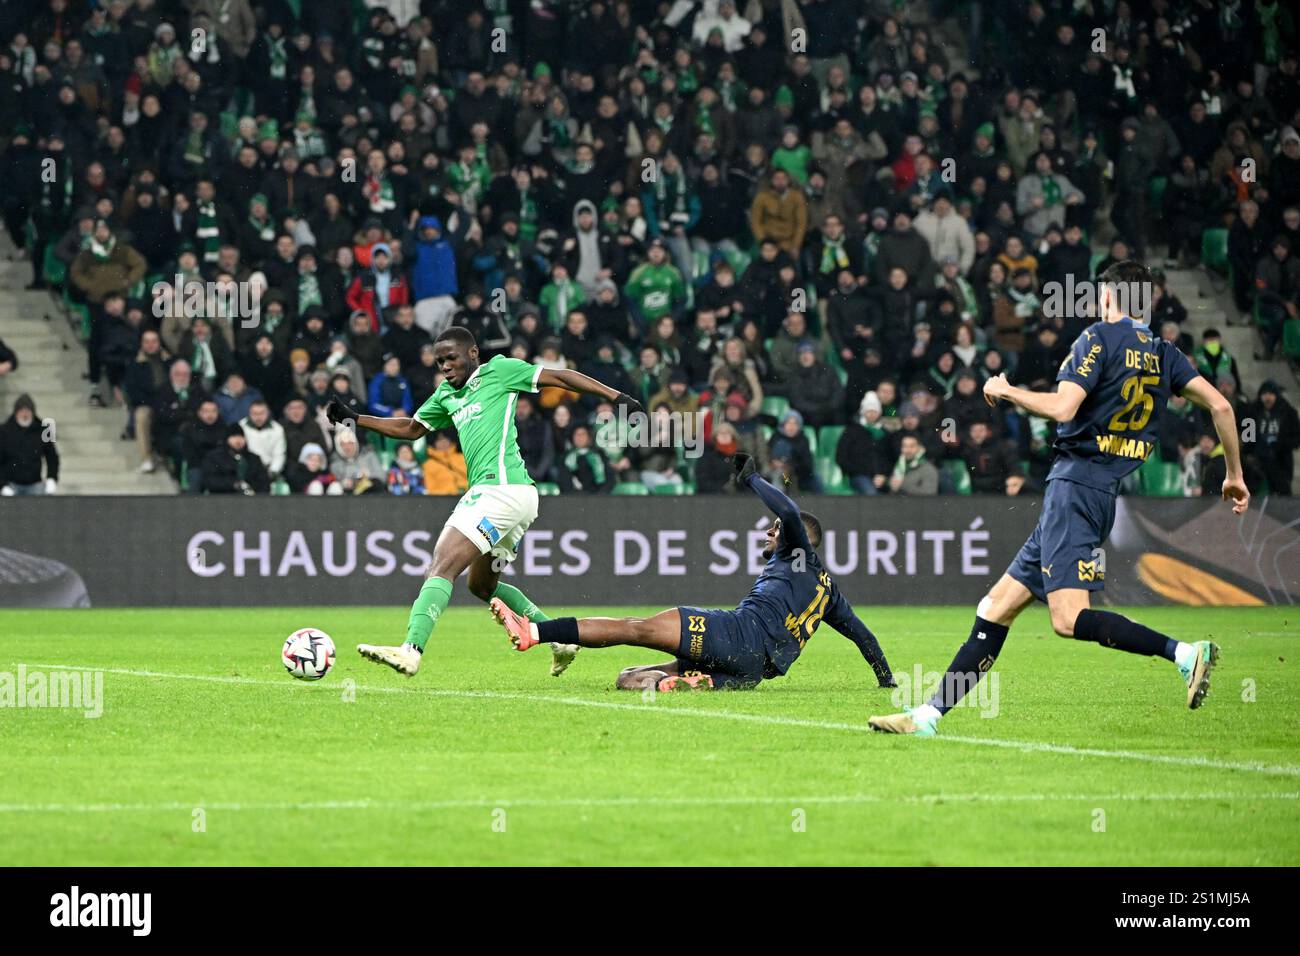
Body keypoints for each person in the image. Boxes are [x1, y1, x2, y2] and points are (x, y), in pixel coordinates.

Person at [870, 262, 1250, 737]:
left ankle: (1184, 653)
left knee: (1068, 619)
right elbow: (1222, 406)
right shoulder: (1164, 354)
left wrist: (1007, 390)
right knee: (996, 607)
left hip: (1074, 488)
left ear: (1111, 296)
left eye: (1100, 294)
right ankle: (927, 718)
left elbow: (1063, 407)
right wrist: (1233, 474)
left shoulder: (1098, 338)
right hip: (1098, 493)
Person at [326, 326, 644, 679]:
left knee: (441, 565)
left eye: (452, 358)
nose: (445, 366)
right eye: (440, 361)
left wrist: (614, 396)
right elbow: (411, 429)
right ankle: (559, 638)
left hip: (500, 492)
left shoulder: (501, 371)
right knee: (481, 586)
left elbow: (560, 376)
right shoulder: (446, 395)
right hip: (518, 499)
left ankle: (411, 650)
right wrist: (355, 419)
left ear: (473, 353)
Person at [489, 455, 896, 693]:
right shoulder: (830, 591)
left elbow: (789, 512)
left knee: (635, 627)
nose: (769, 531)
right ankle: (695, 682)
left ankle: (536, 633)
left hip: (735, 634)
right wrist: (886, 682)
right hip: (754, 671)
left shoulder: (797, 551)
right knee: (627, 679)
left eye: (774, 529)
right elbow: (863, 635)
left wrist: (751, 477)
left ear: (794, 537)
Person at [0, 394, 59, 495]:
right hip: (11, 484)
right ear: (16, 412)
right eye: (21, 411)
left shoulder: (44, 430)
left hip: (35, 484)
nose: (24, 414)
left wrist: (51, 478)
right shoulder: (4, 431)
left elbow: (52, 457)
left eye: (27, 411)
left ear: (32, 412)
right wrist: (2, 485)